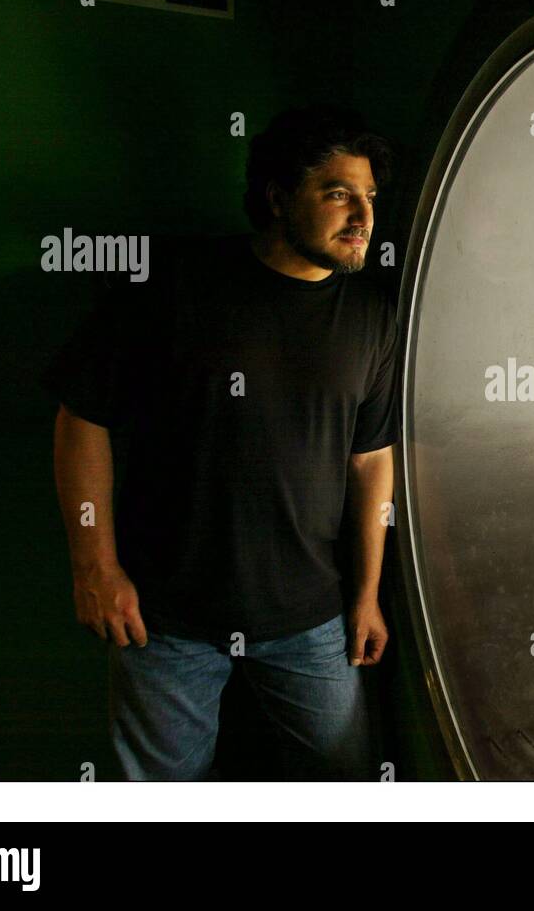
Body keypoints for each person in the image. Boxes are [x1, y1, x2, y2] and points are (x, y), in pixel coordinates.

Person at [45, 104, 399, 780]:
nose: (363, 214)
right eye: (337, 193)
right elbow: (81, 417)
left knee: (346, 777)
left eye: (370, 197)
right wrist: (94, 568)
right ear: (276, 197)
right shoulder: (171, 285)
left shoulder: (373, 314)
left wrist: (366, 593)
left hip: (311, 615)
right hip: (166, 617)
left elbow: (371, 459)